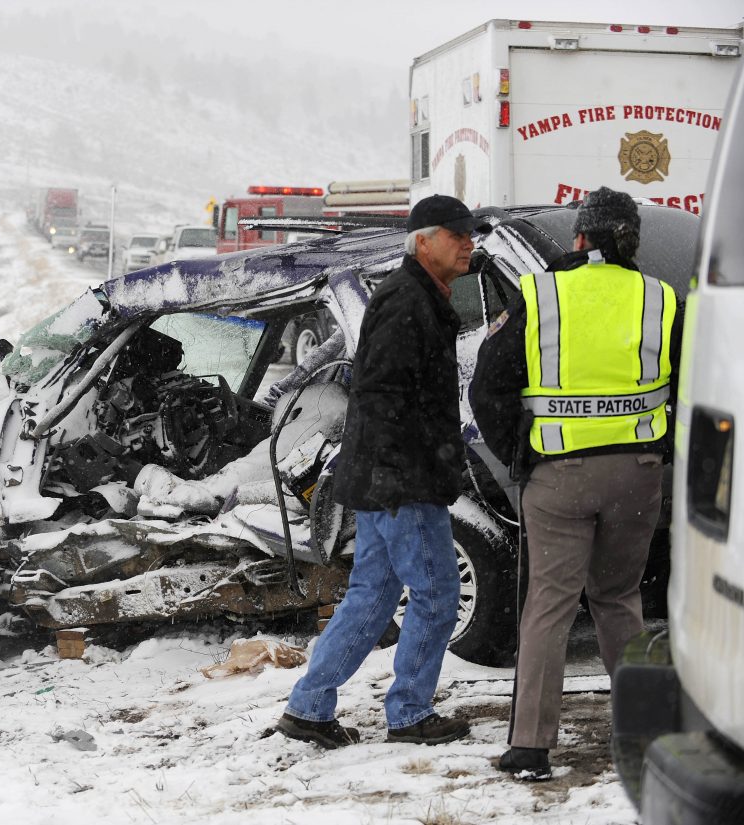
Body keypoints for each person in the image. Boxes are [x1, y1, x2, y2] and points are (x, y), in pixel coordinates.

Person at [469, 187, 681, 781]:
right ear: (630, 240)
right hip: (639, 476)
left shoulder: (538, 295)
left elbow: (486, 388)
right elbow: (689, 387)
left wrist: (520, 452)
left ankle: (531, 747)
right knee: (619, 600)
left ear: (581, 237)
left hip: (558, 475)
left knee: (549, 606)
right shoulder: (660, 299)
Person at [276, 195, 486, 749]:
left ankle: (308, 708)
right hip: (401, 481)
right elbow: (381, 395)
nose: (468, 242)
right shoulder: (406, 302)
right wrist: (410, 472)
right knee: (439, 596)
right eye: (457, 234)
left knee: (372, 596)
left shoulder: (420, 296)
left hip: (384, 478)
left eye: (471, 234)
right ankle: (411, 714)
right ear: (423, 241)